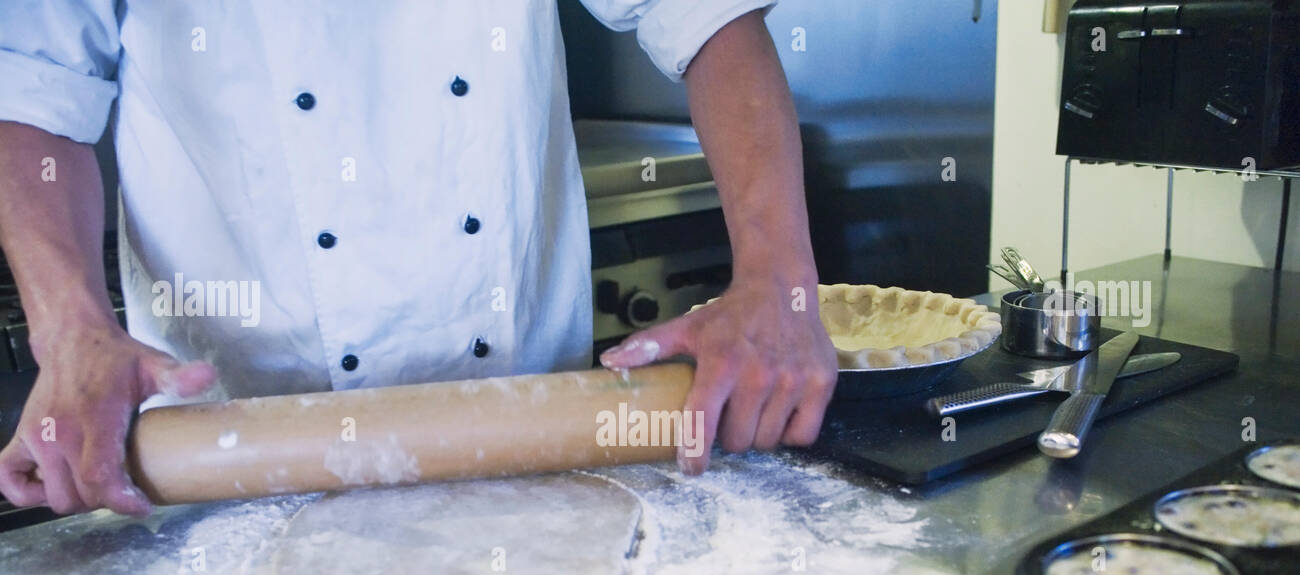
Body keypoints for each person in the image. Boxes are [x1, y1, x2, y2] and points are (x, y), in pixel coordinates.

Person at [0, 0, 836, 517]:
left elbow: (708, 15)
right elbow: (30, 90)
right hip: (228, 447)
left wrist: (779, 282)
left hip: (535, 439)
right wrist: (69, 330)